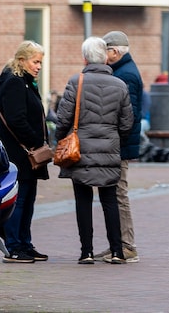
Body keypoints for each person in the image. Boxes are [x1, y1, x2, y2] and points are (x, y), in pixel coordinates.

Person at [55, 37, 133, 265]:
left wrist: (60, 138)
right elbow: (127, 123)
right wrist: (114, 139)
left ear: (85, 59)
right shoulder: (120, 85)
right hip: (109, 149)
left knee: (83, 200)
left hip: (81, 150)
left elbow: (63, 118)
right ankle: (117, 251)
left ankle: (86, 252)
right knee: (109, 199)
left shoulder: (76, 82)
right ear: (105, 58)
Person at [0, 40, 50, 263]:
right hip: (19, 153)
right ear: (21, 60)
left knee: (28, 199)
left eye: (40, 62)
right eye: (35, 62)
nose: (39, 67)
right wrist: (36, 141)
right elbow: (16, 119)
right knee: (19, 200)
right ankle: (14, 246)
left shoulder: (24, 82)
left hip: (26, 153)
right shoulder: (14, 83)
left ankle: (25, 243)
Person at [101, 31, 143, 263]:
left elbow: (128, 116)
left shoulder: (125, 75)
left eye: (105, 50)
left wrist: (115, 141)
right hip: (120, 144)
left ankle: (127, 246)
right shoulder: (122, 71)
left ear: (115, 51)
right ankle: (117, 245)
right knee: (116, 194)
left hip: (120, 146)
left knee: (119, 195)